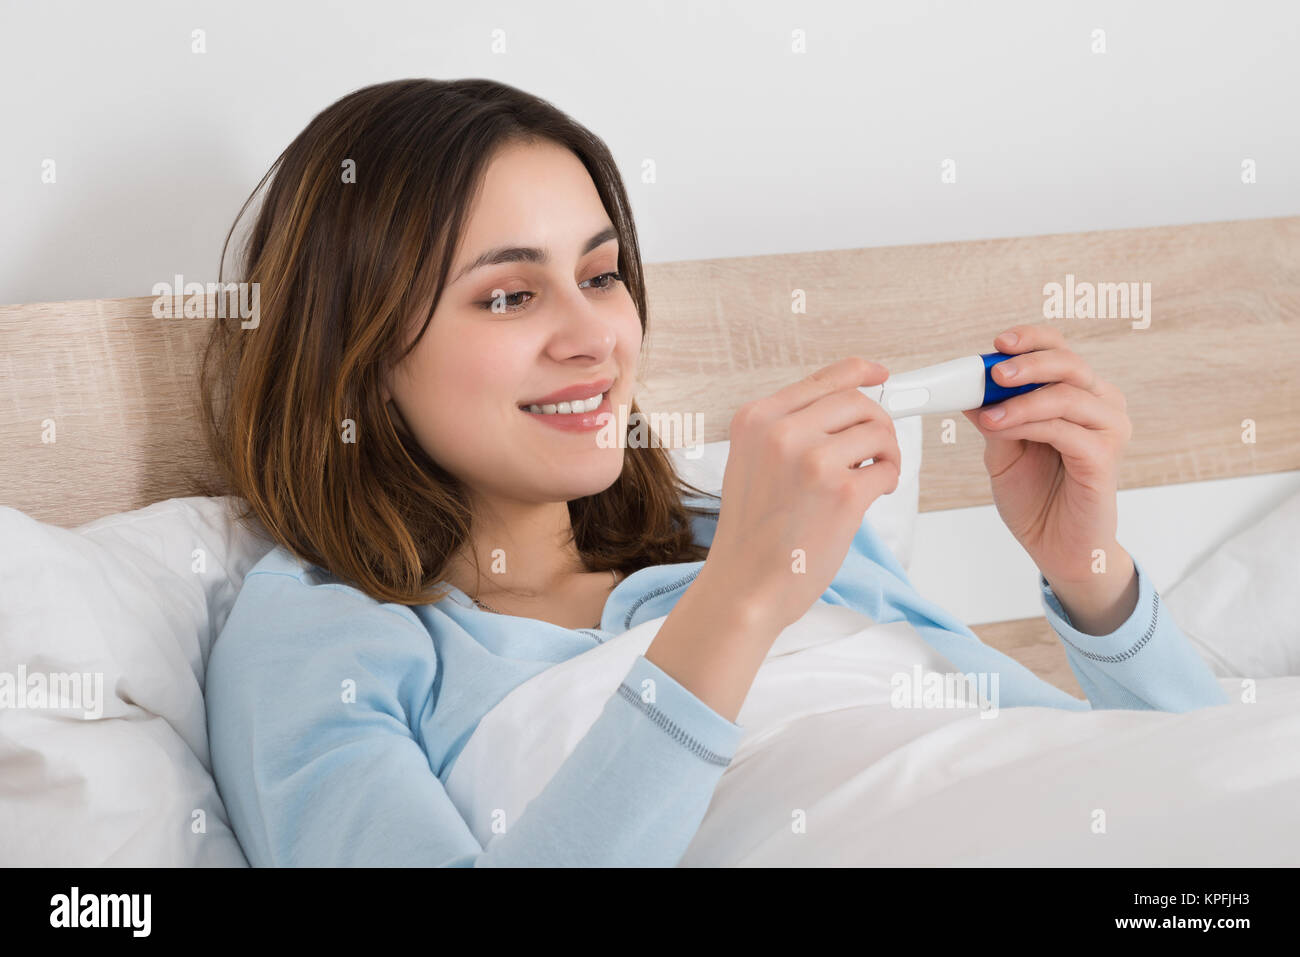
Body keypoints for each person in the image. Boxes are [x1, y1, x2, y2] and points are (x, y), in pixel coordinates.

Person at [199, 78, 1227, 868]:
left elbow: (1181, 798)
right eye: (510, 297)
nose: (593, 337)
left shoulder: (737, 535)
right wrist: (738, 601)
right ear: (361, 353)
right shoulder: (325, 634)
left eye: (601, 277)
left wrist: (1093, 582)